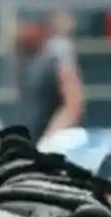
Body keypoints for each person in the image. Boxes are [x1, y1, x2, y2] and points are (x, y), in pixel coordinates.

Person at [19, 10, 86, 142]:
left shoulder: (59, 50)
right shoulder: (30, 56)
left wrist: (49, 140)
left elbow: (73, 105)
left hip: (55, 143)